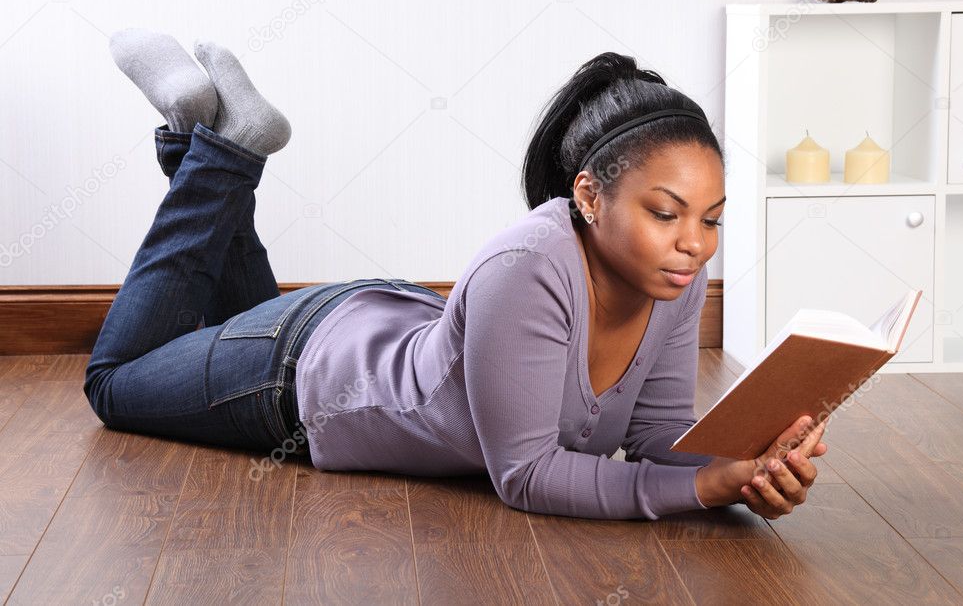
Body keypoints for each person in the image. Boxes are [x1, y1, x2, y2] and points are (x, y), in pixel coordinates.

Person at [85, 34, 828, 521]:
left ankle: (210, 139)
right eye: (666, 212)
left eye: (711, 219)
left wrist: (746, 465)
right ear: (588, 194)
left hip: (376, 324)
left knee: (219, 319)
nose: (695, 243)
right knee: (115, 383)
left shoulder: (672, 271)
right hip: (300, 375)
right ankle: (218, 148)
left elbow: (655, 434)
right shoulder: (528, 267)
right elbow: (527, 476)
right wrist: (700, 490)